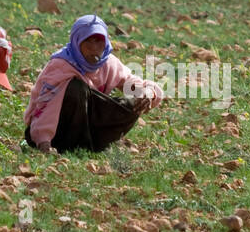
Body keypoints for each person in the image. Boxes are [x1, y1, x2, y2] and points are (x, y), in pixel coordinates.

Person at [23, 15, 164, 153]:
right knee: (76, 88)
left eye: (98, 41)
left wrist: (148, 93)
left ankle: (92, 145)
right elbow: (46, 105)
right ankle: (70, 146)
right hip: (56, 134)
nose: (94, 48)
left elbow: (131, 81)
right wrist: (43, 141)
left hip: (88, 131)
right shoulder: (61, 65)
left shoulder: (108, 63)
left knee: (135, 101)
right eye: (88, 42)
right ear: (77, 42)